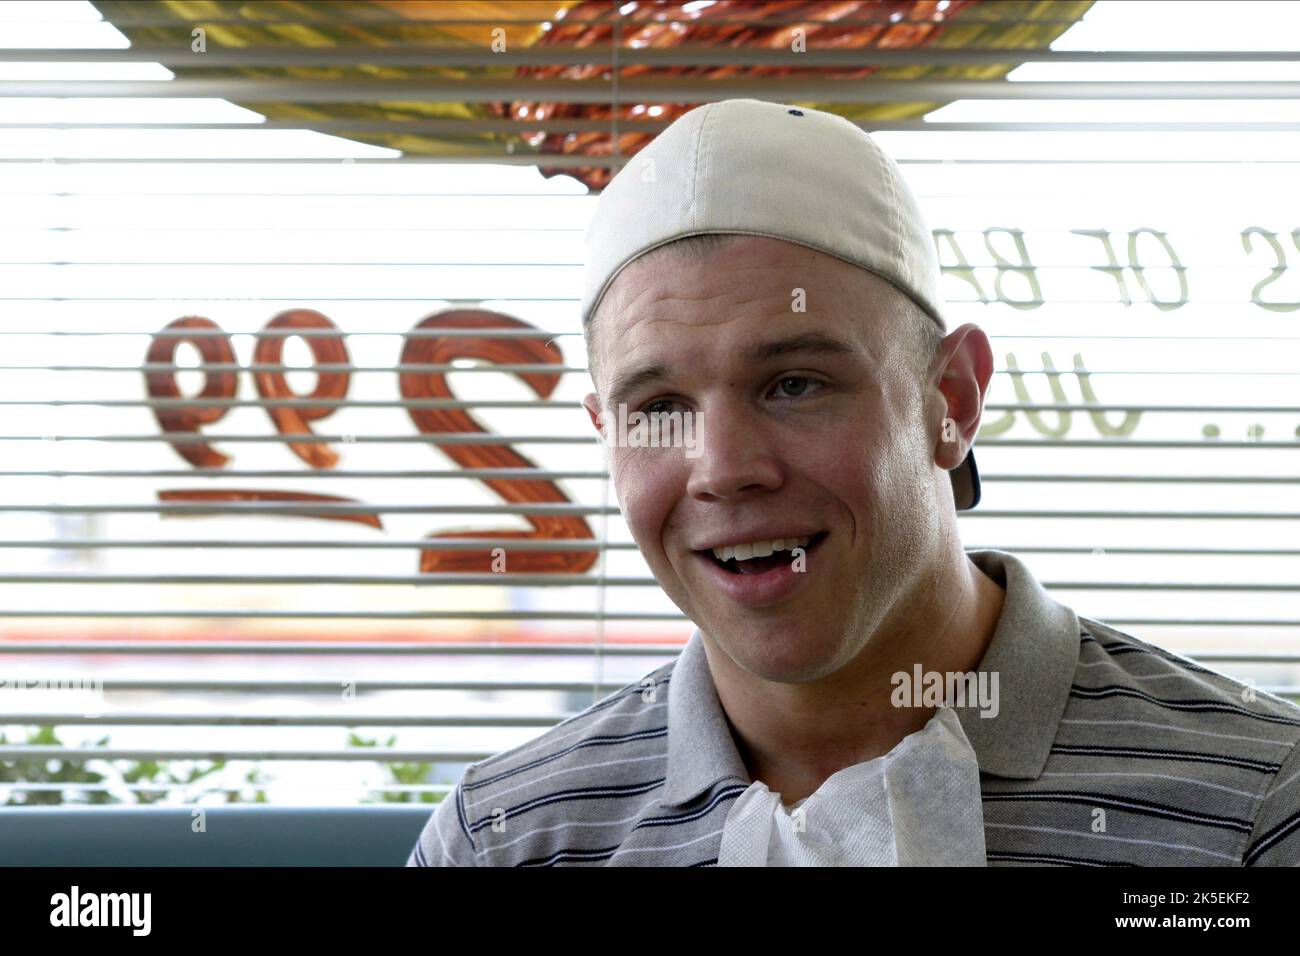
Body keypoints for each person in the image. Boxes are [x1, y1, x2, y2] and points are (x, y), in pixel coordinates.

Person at [408, 98, 1300, 867]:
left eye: (795, 385)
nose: (725, 469)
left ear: (952, 400)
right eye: (661, 408)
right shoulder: (505, 839)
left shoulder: (1258, 810)